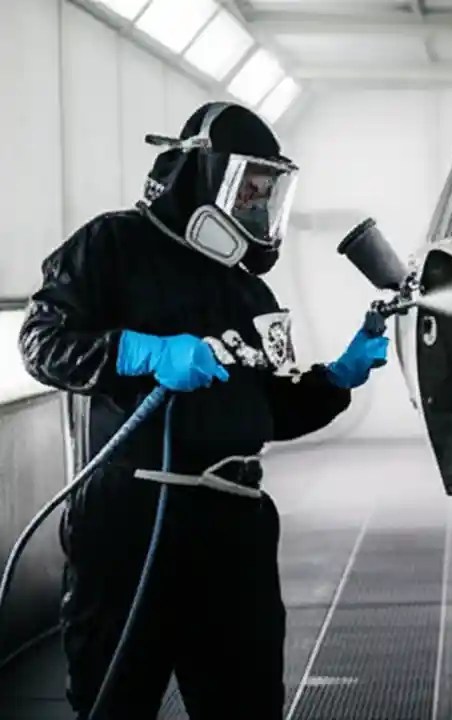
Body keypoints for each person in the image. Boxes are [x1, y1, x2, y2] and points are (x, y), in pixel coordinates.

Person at [18, 102, 387, 719]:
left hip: (233, 527)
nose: (257, 207)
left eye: (268, 194)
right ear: (204, 174)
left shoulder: (246, 287)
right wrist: (140, 351)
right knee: (116, 698)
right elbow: (41, 343)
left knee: (245, 702)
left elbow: (273, 410)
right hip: (133, 520)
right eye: (249, 188)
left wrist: (337, 377)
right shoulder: (114, 245)